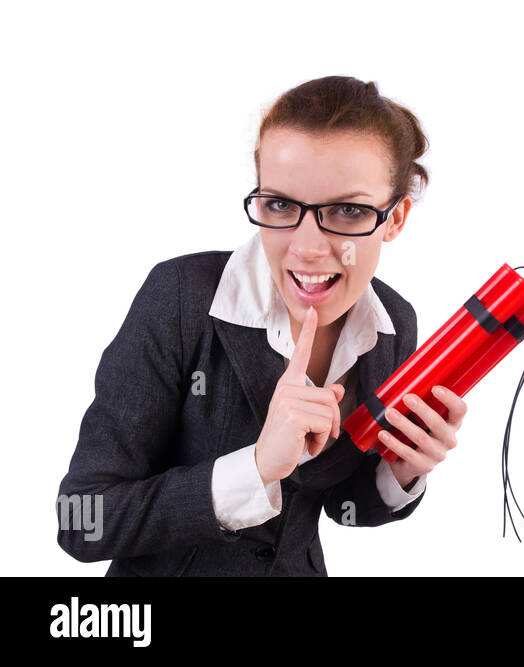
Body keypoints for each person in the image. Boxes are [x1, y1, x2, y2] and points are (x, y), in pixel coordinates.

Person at [56, 76, 466, 576]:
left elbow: (343, 505)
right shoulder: (182, 297)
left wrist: (402, 468)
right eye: (280, 205)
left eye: (348, 210)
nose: (309, 246)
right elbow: (84, 521)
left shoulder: (392, 324)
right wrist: (255, 468)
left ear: (396, 217)